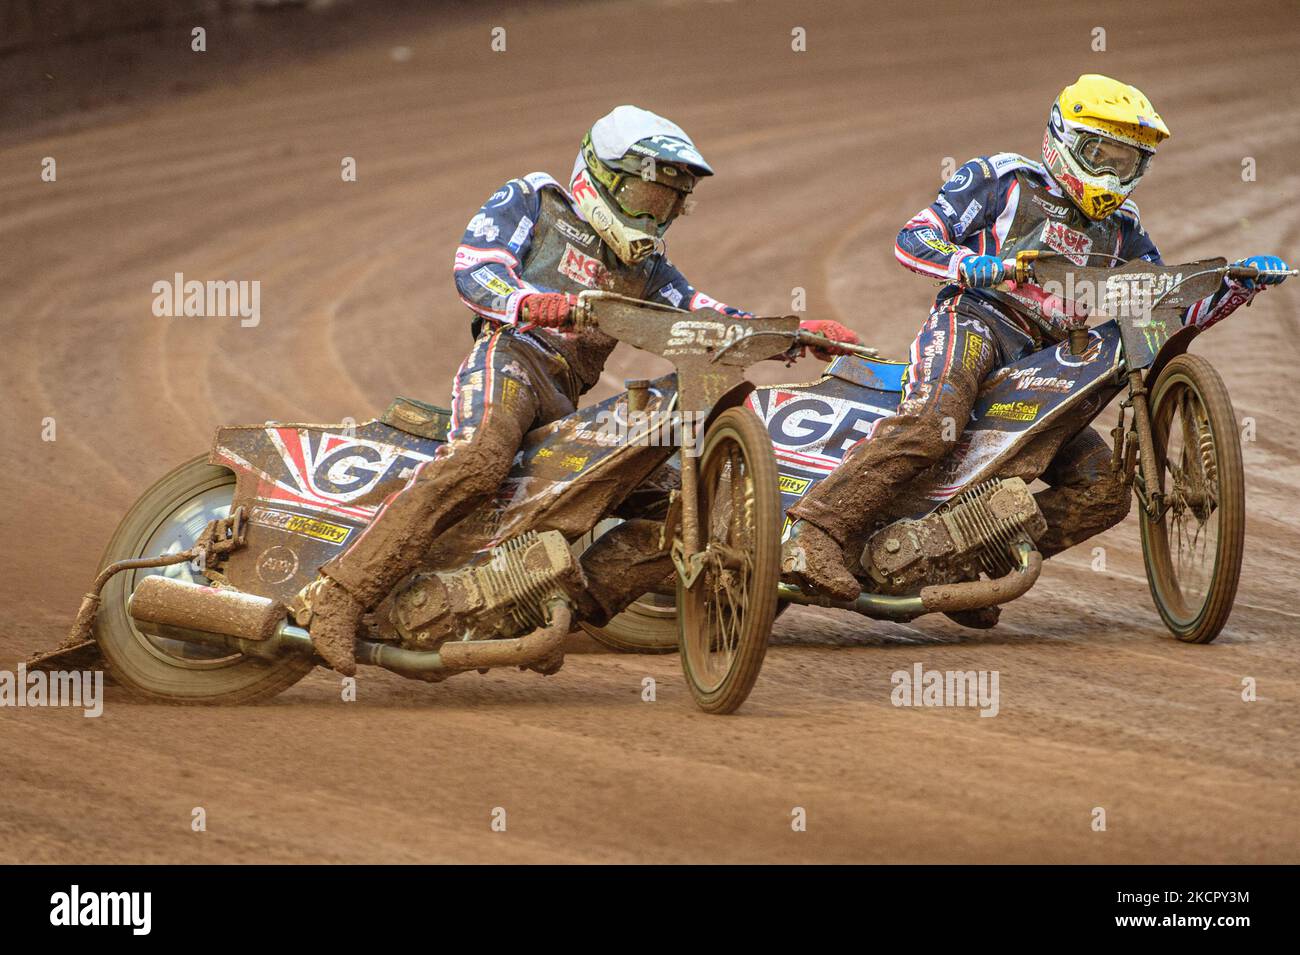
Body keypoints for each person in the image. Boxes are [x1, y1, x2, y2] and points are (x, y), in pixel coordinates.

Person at [300, 105, 858, 672]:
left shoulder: (648, 268)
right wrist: (526, 302)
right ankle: (339, 597)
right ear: (604, 177)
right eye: (648, 196)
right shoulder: (535, 200)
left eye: (670, 203)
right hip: (512, 359)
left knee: (692, 504)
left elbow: (706, 318)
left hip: (566, 403)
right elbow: (475, 267)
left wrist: (792, 335)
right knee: (479, 461)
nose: (657, 214)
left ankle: (549, 603)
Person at [783, 74, 1291, 615]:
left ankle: (954, 562)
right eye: (1104, 155)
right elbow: (912, 239)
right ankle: (814, 535)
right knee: (934, 423)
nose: (1115, 173)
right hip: (977, 321)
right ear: (1065, 140)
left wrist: (1233, 287)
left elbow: (1157, 307)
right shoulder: (1001, 178)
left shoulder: (1124, 226)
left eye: (1129, 162)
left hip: (1050, 358)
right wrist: (972, 265)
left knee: (1106, 491)